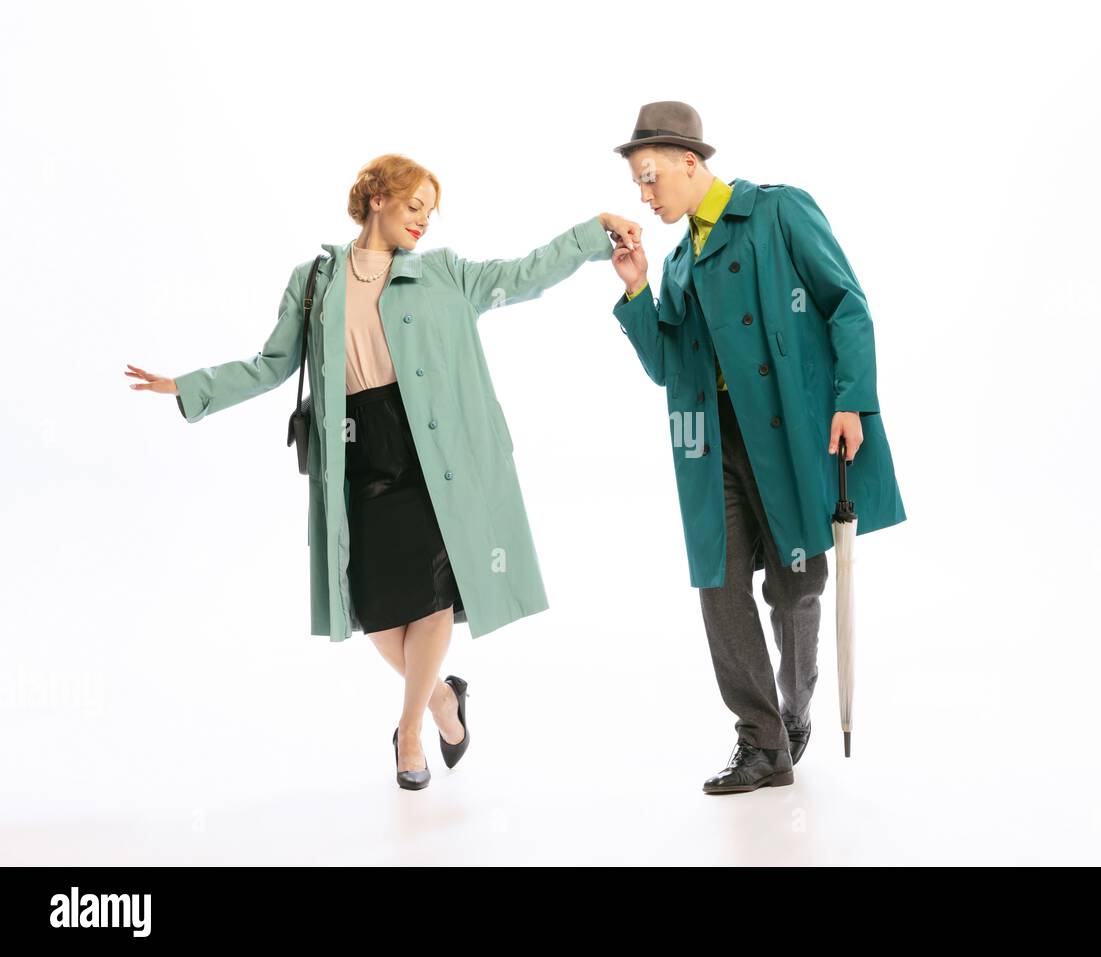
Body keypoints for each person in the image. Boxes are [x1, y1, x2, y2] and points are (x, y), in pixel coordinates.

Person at [127, 152, 640, 790]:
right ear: (377, 199)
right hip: (357, 448)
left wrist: (592, 234)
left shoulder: (444, 273)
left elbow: (525, 273)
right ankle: (443, 701)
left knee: (432, 596)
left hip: (435, 448)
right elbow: (271, 364)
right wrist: (189, 385)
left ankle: (410, 733)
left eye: (432, 211)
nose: (424, 221)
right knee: (373, 606)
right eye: (414, 206)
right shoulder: (314, 280)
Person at [608, 103, 906, 794]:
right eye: (637, 186)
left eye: (650, 178)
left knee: (797, 580)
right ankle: (761, 741)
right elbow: (668, 366)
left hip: (788, 431)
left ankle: (793, 708)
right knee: (719, 582)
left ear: (691, 160)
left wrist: (851, 398)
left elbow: (846, 304)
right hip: (713, 444)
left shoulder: (777, 212)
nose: (645, 196)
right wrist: (636, 288)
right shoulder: (679, 263)